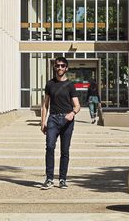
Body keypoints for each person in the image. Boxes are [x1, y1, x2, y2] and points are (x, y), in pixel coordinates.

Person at [40, 56, 81, 189]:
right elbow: (45, 105)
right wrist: (43, 122)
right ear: (54, 67)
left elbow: (77, 105)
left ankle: (62, 179)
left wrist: (72, 113)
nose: (60, 68)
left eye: (62, 65)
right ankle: (49, 178)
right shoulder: (49, 84)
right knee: (50, 147)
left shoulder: (70, 85)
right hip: (53, 119)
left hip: (67, 121)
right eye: (57, 65)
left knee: (65, 151)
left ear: (66, 68)